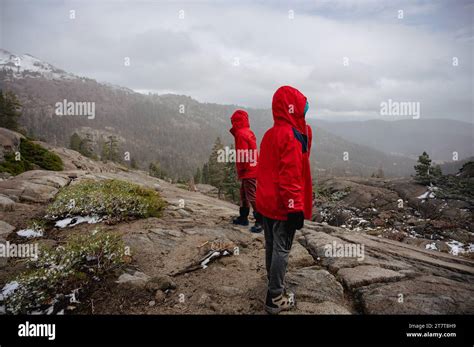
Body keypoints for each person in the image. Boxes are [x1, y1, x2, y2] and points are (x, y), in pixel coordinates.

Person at [256, 86, 313, 314]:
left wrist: (259, 205)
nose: (304, 114)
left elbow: (263, 172)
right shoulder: (290, 136)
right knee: (282, 249)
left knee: (271, 245)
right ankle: (275, 297)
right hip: (283, 206)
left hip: (268, 205)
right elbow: (290, 177)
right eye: (302, 109)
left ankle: (273, 283)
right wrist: (294, 208)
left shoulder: (270, 134)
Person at [229, 109, 262, 233]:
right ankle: (243, 217)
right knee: (244, 193)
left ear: (236, 122)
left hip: (248, 169)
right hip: (252, 167)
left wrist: (242, 170)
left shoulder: (241, 134)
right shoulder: (247, 132)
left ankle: (260, 221)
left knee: (251, 195)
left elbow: (242, 154)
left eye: (233, 122)